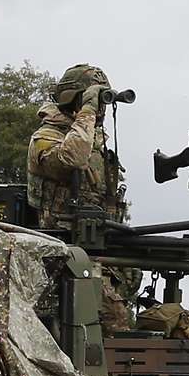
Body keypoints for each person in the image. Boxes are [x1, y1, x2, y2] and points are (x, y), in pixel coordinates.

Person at [27, 63, 141, 330]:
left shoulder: (95, 144)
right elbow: (72, 158)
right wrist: (87, 111)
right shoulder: (45, 138)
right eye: (93, 98)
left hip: (101, 250)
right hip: (63, 255)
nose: (100, 108)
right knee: (114, 320)